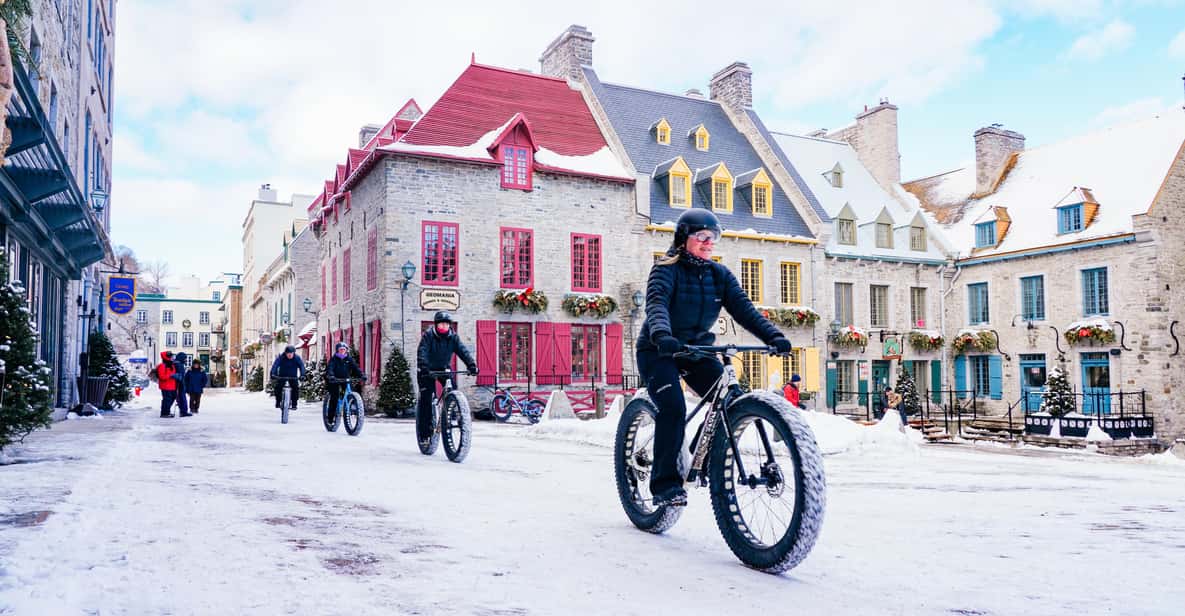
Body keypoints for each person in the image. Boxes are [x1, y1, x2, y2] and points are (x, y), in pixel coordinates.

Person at [638, 209, 793, 508]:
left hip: (697, 350)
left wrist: (773, 336)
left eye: (714, 237)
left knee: (730, 400)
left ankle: (703, 455)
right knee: (673, 407)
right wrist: (661, 335)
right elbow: (656, 305)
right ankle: (665, 485)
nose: (710, 243)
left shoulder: (719, 275)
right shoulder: (665, 269)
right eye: (703, 237)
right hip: (660, 350)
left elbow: (745, 310)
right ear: (684, 239)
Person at [415, 312, 478, 445]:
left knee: (452, 390)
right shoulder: (428, 336)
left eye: (446, 324)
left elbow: (463, 351)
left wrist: (471, 365)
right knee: (427, 399)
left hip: (443, 368)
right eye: (441, 324)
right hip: (426, 371)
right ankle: (425, 434)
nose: (444, 326)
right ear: (436, 325)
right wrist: (423, 366)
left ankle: (451, 416)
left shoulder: (453, 337)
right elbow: (422, 352)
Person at [325, 341, 364, 415]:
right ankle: (331, 416)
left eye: (344, 349)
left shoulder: (349, 359)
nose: (342, 351)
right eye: (340, 349)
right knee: (334, 396)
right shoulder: (334, 359)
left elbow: (355, 368)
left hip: (345, 379)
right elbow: (330, 368)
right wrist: (331, 375)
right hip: (335, 380)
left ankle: (351, 405)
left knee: (351, 391)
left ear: (346, 350)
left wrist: (362, 375)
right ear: (337, 350)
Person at [271, 345, 306, 411]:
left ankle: (294, 404)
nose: (289, 355)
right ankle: (278, 401)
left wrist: (302, 375)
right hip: (282, 376)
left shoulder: (297, 358)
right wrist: (273, 374)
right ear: (285, 353)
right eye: (288, 353)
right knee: (278, 387)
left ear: (294, 353)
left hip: (293, 377)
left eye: (291, 353)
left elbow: (302, 366)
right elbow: (275, 365)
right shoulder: (281, 357)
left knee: (295, 388)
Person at [153, 351, 178, 418]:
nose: (172, 358)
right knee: (167, 399)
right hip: (165, 386)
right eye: (170, 356)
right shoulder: (162, 366)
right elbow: (162, 376)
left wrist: (176, 376)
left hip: (172, 386)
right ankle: (164, 413)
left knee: (172, 398)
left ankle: (166, 411)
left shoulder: (171, 365)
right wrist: (171, 375)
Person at [173, 352, 192, 417]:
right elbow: (181, 375)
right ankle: (183, 412)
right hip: (180, 384)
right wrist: (181, 383)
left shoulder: (175, 363)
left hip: (177, 383)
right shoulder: (179, 365)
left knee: (180, 398)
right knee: (182, 398)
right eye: (185, 358)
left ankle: (183, 411)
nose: (186, 360)